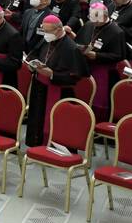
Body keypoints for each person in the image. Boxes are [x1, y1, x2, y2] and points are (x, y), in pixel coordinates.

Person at [22, 15, 90, 146]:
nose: (45, 34)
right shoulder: (47, 39)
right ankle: (36, 145)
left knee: (54, 121)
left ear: (59, 30)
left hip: (58, 91)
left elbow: (75, 77)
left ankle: (52, 146)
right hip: (39, 87)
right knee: (37, 117)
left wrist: (52, 74)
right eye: (44, 30)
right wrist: (31, 64)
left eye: (48, 31)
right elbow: (34, 53)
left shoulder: (71, 48)